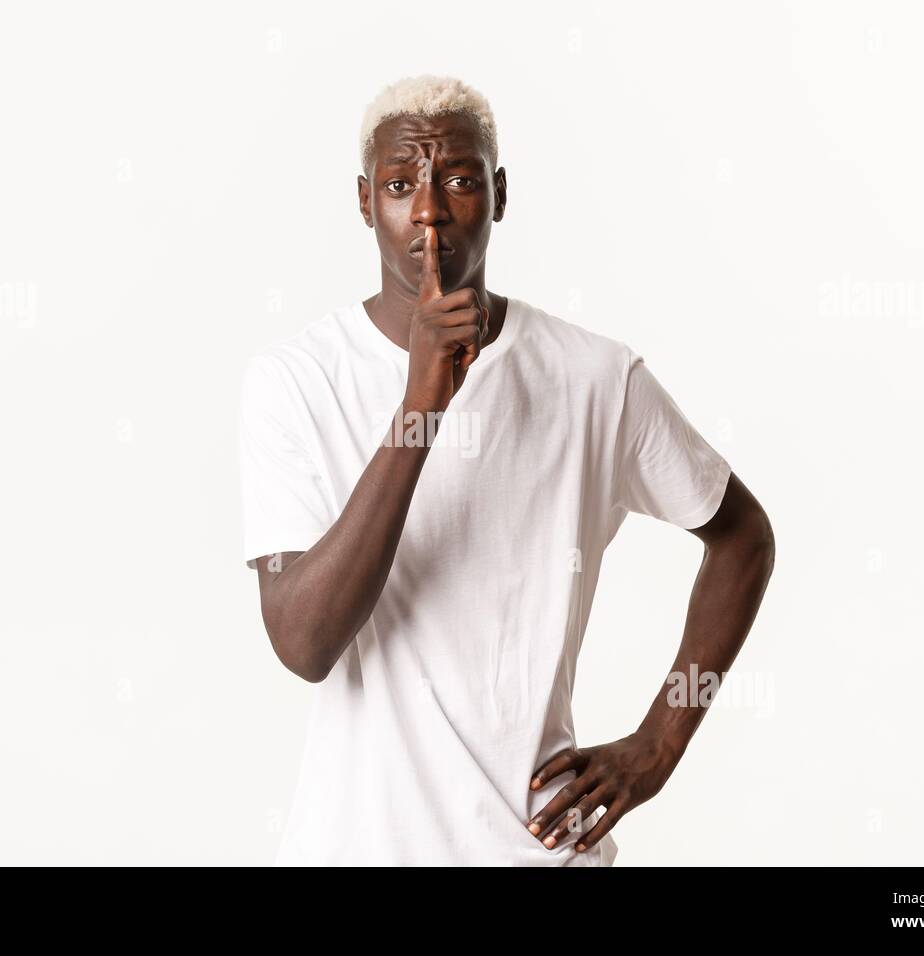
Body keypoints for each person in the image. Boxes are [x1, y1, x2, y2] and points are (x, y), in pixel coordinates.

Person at [239, 75, 775, 866]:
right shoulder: (296, 381)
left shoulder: (594, 377)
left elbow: (742, 538)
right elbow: (304, 643)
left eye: (458, 179)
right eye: (398, 185)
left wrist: (659, 744)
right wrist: (421, 402)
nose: (427, 211)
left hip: (540, 846)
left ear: (499, 193)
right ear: (364, 203)